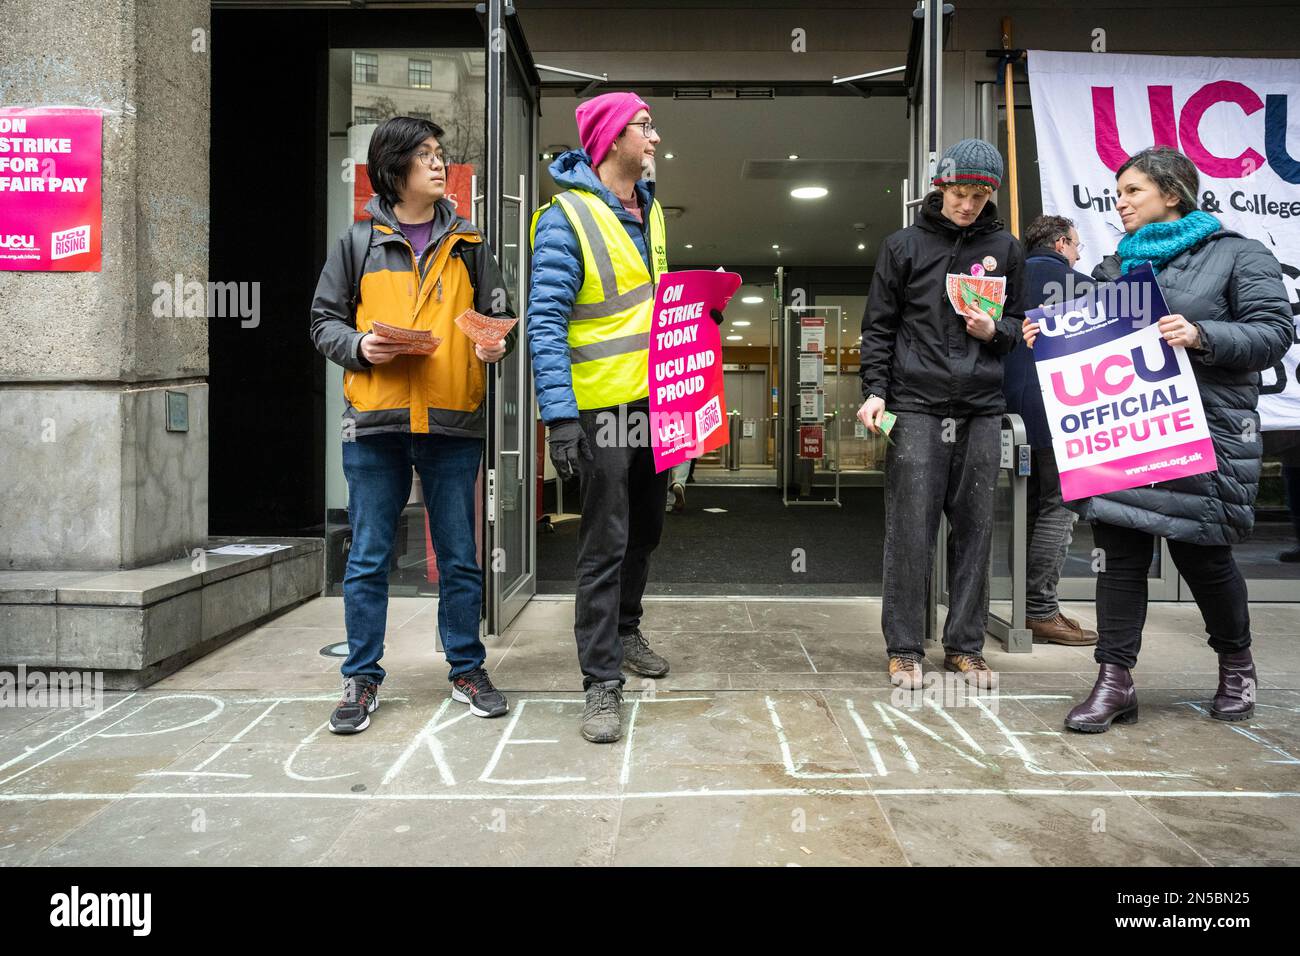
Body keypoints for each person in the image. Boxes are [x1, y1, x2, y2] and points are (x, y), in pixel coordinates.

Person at [1021, 146, 1293, 732]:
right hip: (1125, 436)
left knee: (1205, 559)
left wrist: (1200, 334)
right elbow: (1091, 345)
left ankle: (1236, 666)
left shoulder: (1238, 255)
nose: (1119, 202)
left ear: (1173, 194)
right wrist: (1045, 336)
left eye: (1132, 191)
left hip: (1205, 437)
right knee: (1119, 561)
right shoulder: (1112, 271)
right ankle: (1114, 681)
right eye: (1118, 193)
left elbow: (1273, 334)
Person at [310, 116, 517, 734]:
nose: (438, 163)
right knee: (370, 555)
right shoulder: (357, 243)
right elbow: (323, 322)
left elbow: (500, 317)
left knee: (458, 555)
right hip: (375, 425)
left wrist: (492, 348)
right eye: (425, 154)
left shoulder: (473, 245)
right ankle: (362, 678)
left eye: (440, 153)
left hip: (454, 422)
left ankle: (466, 667)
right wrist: (359, 346)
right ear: (394, 167)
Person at [527, 92, 685, 743]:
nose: (653, 137)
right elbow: (544, 322)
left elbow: (656, 307)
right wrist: (559, 419)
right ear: (614, 137)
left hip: (652, 402)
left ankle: (625, 632)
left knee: (646, 528)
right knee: (604, 541)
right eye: (644, 126)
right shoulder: (565, 218)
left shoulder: (651, 213)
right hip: (598, 409)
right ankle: (600, 685)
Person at [857, 138, 1026, 691]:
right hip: (915, 404)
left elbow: (1021, 327)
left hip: (981, 405)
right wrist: (875, 390)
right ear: (940, 188)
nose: (967, 205)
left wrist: (994, 330)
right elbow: (878, 327)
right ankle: (905, 648)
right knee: (910, 529)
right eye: (959, 193)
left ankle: (966, 646)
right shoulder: (902, 246)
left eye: (979, 195)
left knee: (976, 529)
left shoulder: (1008, 248)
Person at [1001, 214, 1099, 646]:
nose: (1079, 254)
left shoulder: (1008, 279)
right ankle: (1040, 610)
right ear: (1061, 243)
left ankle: (1027, 607)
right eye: (1076, 246)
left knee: (1028, 508)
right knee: (1060, 506)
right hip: (1063, 413)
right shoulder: (1084, 288)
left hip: (1011, 415)